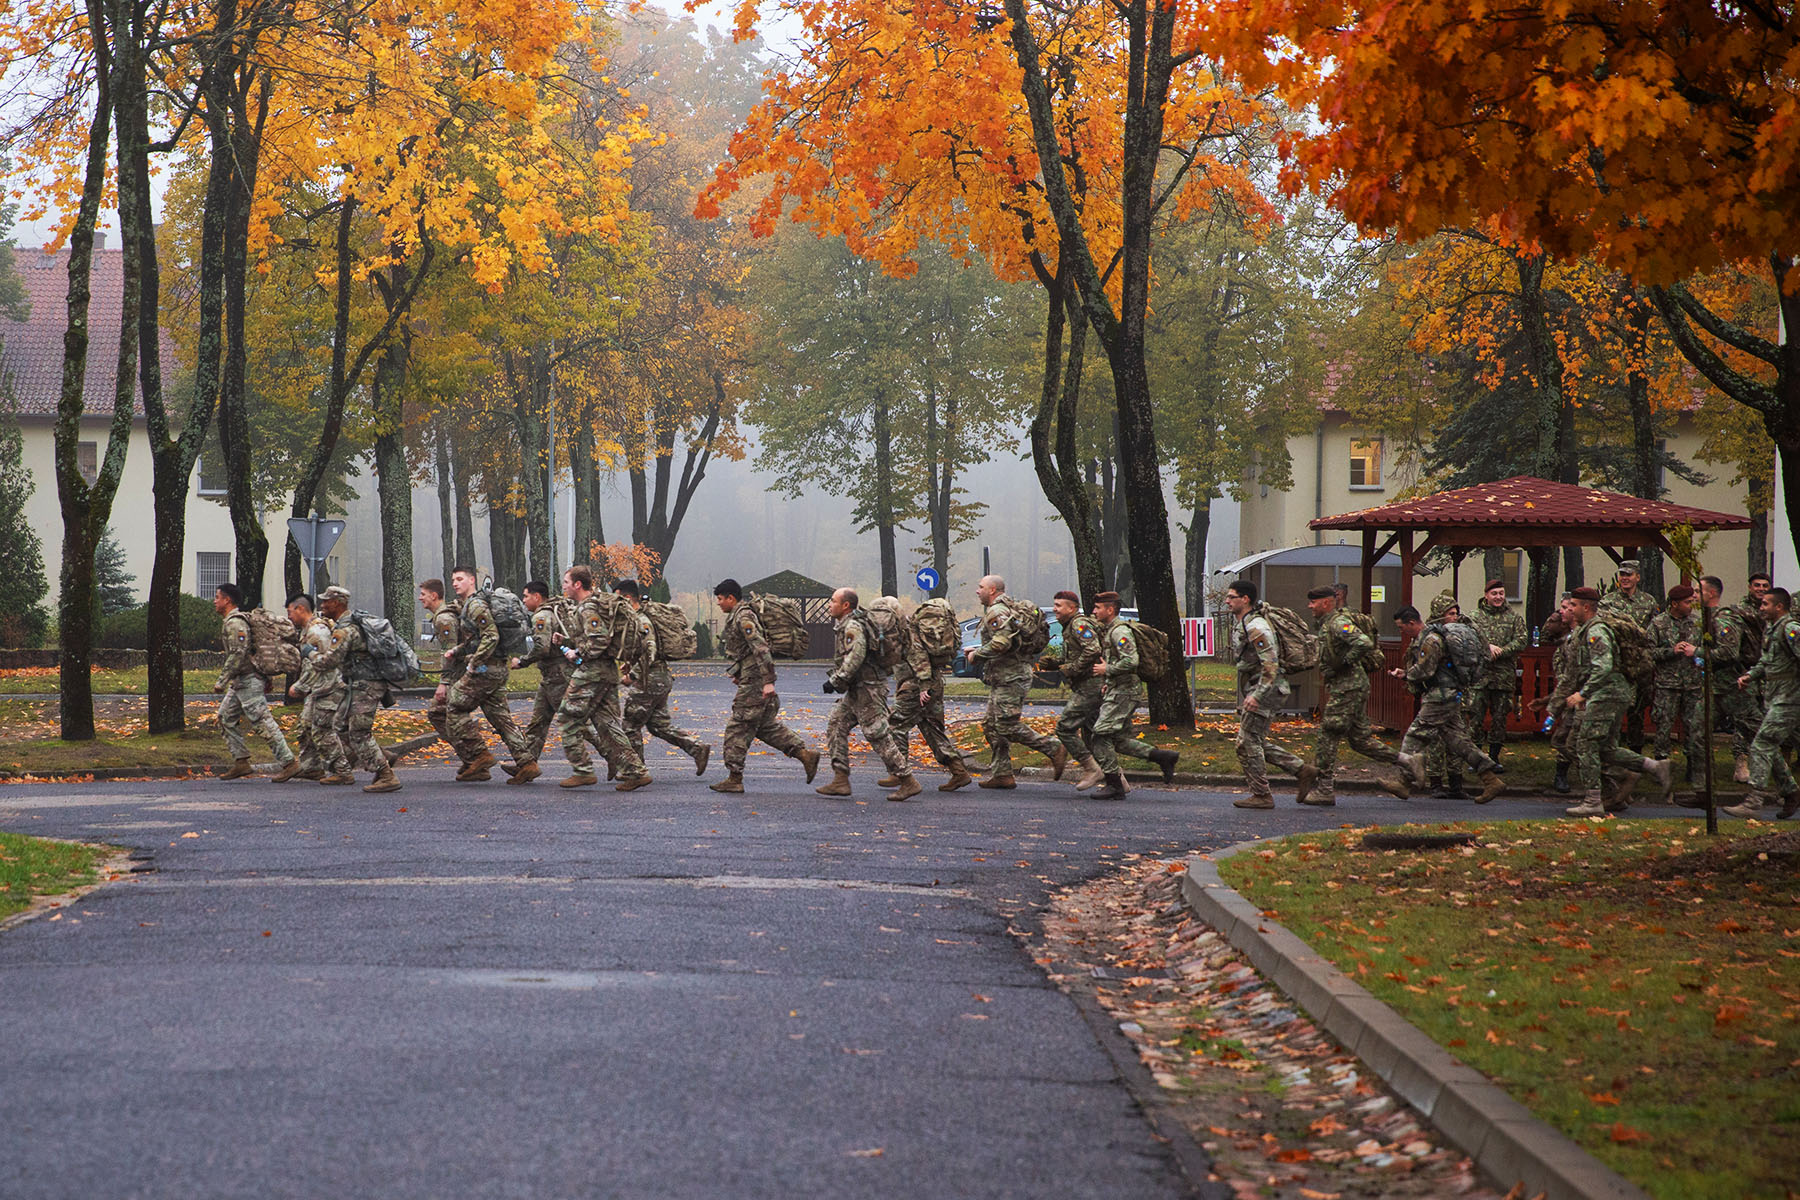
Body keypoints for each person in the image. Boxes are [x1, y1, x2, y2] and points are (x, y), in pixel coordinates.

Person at [1563, 586, 1671, 816]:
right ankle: (1654, 766)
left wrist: (1583, 693)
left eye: (1573, 605)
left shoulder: (1597, 630)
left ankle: (1593, 800)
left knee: (1585, 744)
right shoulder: (1590, 628)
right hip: (1614, 693)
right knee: (1606, 748)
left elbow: (1603, 666)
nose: (1570, 609)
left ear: (1586, 607)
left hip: (1606, 694)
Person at [1390, 598, 1506, 805]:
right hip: (1450, 695)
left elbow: (1425, 670)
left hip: (1439, 697)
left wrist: (1405, 675)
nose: (1402, 632)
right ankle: (1491, 779)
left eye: (1401, 628)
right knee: (1458, 741)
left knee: (1415, 734)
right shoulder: (1434, 637)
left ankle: (1402, 781)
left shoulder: (1431, 640)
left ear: (1411, 623)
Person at [709, 578, 819, 793]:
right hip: (752, 677)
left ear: (731, 598)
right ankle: (805, 755)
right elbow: (746, 652)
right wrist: (740, 673)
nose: (719, 603)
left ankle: (734, 777)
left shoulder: (744, 617)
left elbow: (760, 648)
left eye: (721, 599)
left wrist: (768, 682)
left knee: (737, 727)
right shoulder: (740, 615)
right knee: (764, 726)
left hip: (756, 682)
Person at [1305, 584, 1408, 806]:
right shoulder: (1327, 625)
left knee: (1328, 734)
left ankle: (1324, 789)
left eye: (1313, 602)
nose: (1309, 606)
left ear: (1325, 602)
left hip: (1349, 687)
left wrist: (1345, 663)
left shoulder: (1338, 624)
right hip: (1349, 686)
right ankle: (1409, 762)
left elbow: (1363, 642)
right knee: (1360, 741)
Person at [964, 574, 1068, 789]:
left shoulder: (997, 611)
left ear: (993, 590)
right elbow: (1006, 641)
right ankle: (1002, 774)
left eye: (981, 587)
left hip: (1011, 677)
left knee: (1006, 725)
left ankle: (1053, 748)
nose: (977, 590)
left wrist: (976, 656)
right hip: (1005, 676)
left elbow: (1000, 644)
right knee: (991, 725)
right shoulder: (1007, 609)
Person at [816, 588, 919, 800]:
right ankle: (840, 780)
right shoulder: (848, 624)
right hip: (857, 689)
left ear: (846, 605)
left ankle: (907, 780)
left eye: (833, 601)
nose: (829, 604)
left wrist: (835, 681)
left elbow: (856, 656)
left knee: (877, 734)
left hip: (869, 689)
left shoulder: (853, 625)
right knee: (836, 724)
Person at [553, 565, 649, 790]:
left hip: (593, 671)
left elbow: (598, 640)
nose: (564, 587)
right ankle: (636, 771)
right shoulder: (592, 605)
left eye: (566, 582)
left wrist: (577, 653)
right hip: (605, 671)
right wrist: (569, 644)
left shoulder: (588, 608)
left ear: (578, 584)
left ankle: (582, 770)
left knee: (567, 717)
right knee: (606, 722)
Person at [1223, 578, 1312, 809]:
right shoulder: (1244, 623)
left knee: (1245, 742)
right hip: (1259, 687)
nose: (1227, 601)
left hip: (1266, 689)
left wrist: (1257, 695)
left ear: (1245, 599)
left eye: (1231, 597)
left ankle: (1262, 794)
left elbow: (1270, 665)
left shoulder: (1257, 627)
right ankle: (1302, 770)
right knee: (1254, 741)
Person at [1086, 591, 1180, 799]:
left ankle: (1115, 785)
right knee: (1118, 740)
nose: (1094, 611)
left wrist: (1107, 670)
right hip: (1119, 689)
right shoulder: (1111, 630)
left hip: (1125, 692)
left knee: (1100, 735)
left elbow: (1131, 661)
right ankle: (1163, 757)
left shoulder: (1120, 632)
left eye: (1098, 608)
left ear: (1110, 610)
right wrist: (1108, 682)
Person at [443, 566, 532, 782]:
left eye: (460, 579)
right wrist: (457, 651)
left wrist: (475, 661)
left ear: (472, 580)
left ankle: (479, 755)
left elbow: (490, 636)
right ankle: (527, 763)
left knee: (454, 706)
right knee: (501, 719)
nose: (455, 583)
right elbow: (476, 638)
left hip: (485, 670)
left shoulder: (475, 604)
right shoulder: (473, 604)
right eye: (453, 579)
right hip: (498, 668)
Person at [616, 579, 711, 776]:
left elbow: (650, 650)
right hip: (659, 678)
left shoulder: (640, 620)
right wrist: (630, 662)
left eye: (618, 598)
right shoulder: (638, 617)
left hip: (649, 680)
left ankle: (635, 771)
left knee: (630, 726)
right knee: (659, 726)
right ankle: (697, 748)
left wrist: (632, 676)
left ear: (626, 597)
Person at [311, 586, 400, 793]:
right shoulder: (349, 624)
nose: (322, 605)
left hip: (365, 686)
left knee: (359, 732)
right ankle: (377, 759)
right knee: (339, 725)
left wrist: (310, 654)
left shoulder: (345, 630)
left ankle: (387, 775)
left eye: (326, 601)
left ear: (337, 603)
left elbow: (330, 660)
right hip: (359, 685)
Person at [1724, 586, 1800, 819]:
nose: (1761, 607)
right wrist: (1751, 675)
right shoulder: (1772, 629)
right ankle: (1790, 792)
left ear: (1779, 606)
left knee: (1761, 743)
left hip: (1790, 698)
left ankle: (1755, 799)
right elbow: (1768, 661)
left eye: (1766, 603)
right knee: (1770, 744)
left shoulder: (1791, 629)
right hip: (1776, 695)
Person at [886, 597, 976, 792]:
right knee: (932, 729)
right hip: (931, 682)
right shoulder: (909, 627)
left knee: (895, 725)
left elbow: (918, 656)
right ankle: (959, 772)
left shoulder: (906, 631)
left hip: (915, 686)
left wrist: (923, 686)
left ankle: (899, 773)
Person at [211, 582, 297, 781]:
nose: (214, 602)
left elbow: (239, 653)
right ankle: (241, 762)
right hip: (241, 681)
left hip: (248, 681)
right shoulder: (232, 621)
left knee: (262, 722)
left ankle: (289, 763)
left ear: (227, 600)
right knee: (225, 717)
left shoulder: (235, 623)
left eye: (217, 597)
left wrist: (221, 681)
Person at [1036, 590, 1107, 790]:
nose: (1055, 609)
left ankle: (1091, 768)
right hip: (1088, 685)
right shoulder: (1070, 626)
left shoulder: (1079, 624)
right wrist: (1056, 664)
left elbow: (1093, 650)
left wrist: (1071, 669)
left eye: (1059, 605)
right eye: (1054, 604)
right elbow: (1079, 654)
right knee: (1094, 735)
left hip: (1090, 686)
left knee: (1064, 728)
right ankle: (1117, 781)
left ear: (1072, 608)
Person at [504, 581, 571, 784]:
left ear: (537, 597)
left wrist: (522, 662)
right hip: (550, 678)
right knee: (538, 722)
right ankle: (527, 765)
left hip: (558, 677)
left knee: (574, 723)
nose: (523, 600)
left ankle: (619, 759)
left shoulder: (541, 616)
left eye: (526, 596)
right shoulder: (550, 612)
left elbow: (541, 647)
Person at [283, 592, 352, 784]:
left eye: (290, 612)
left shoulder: (317, 632)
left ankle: (344, 771)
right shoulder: (308, 631)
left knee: (322, 731)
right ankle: (312, 767)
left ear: (300, 609)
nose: (289, 617)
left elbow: (324, 663)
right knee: (304, 727)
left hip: (329, 687)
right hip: (319, 688)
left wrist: (300, 686)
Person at [1702, 574, 1766, 784]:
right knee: (1744, 723)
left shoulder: (1769, 610)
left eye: (1765, 586)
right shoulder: (1737, 611)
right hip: (1741, 675)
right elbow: (1730, 650)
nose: (1761, 589)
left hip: (1762, 673)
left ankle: (1778, 776)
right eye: (1757, 585)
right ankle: (1741, 762)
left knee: (1759, 724)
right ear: (1749, 587)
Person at [1599, 560, 1661, 751]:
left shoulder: (1649, 602)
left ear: (1637, 577)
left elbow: (1654, 631)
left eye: (1629, 575)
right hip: (1618, 663)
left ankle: (1635, 751)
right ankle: (1611, 751)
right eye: (1622, 575)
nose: (1624, 578)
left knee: (1638, 710)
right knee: (1614, 708)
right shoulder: (1607, 601)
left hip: (1640, 664)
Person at [1648, 584, 1705, 785]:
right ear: (1674, 604)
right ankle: (1661, 767)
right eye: (1687, 602)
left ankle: (1692, 766)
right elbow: (1649, 652)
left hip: (1692, 684)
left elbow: (1707, 649)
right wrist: (1671, 651)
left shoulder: (1697, 624)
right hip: (1667, 684)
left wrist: (1695, 651)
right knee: (1663, 726)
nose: (1691, 606)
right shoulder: (1658, 623)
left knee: (1693, 726)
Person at [1465, 578, 1526, 767]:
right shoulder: (1474, 617)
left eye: (1501, 593)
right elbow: (1466, 639)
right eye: (1494, 594)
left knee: (1499, 718)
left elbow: (1522, 640)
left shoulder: (1514, 618)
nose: (1498, 597)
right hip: (1479, 676)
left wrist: (1501, 651)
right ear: (1486, 595)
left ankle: (1494, 757)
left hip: (1503, 676)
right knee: (1475, 716)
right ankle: (1475, 757)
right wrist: (1486, 648)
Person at [1531, 600, 1581, 794]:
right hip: (1568, 697)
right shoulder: (1563, 644)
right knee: (1565, 738)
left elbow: (1572, 680)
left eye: (1566, 609)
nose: (1561, 612)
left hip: (1579, 698)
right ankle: (1563, 775)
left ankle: (1605, 777)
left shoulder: (1576, 640)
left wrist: (1550, 702)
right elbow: (1545, 633)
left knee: (1568, 739)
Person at [418, 578, 465, 768]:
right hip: (461, 673)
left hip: (459, 675)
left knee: (441, 713)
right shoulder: (441, 616)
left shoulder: (443, 619)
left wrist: (443, 683)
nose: (420, 598)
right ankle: (473, 758)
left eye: (423, 594)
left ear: (434, 595)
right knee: (450, 715)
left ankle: (475, 756)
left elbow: (450, 652)